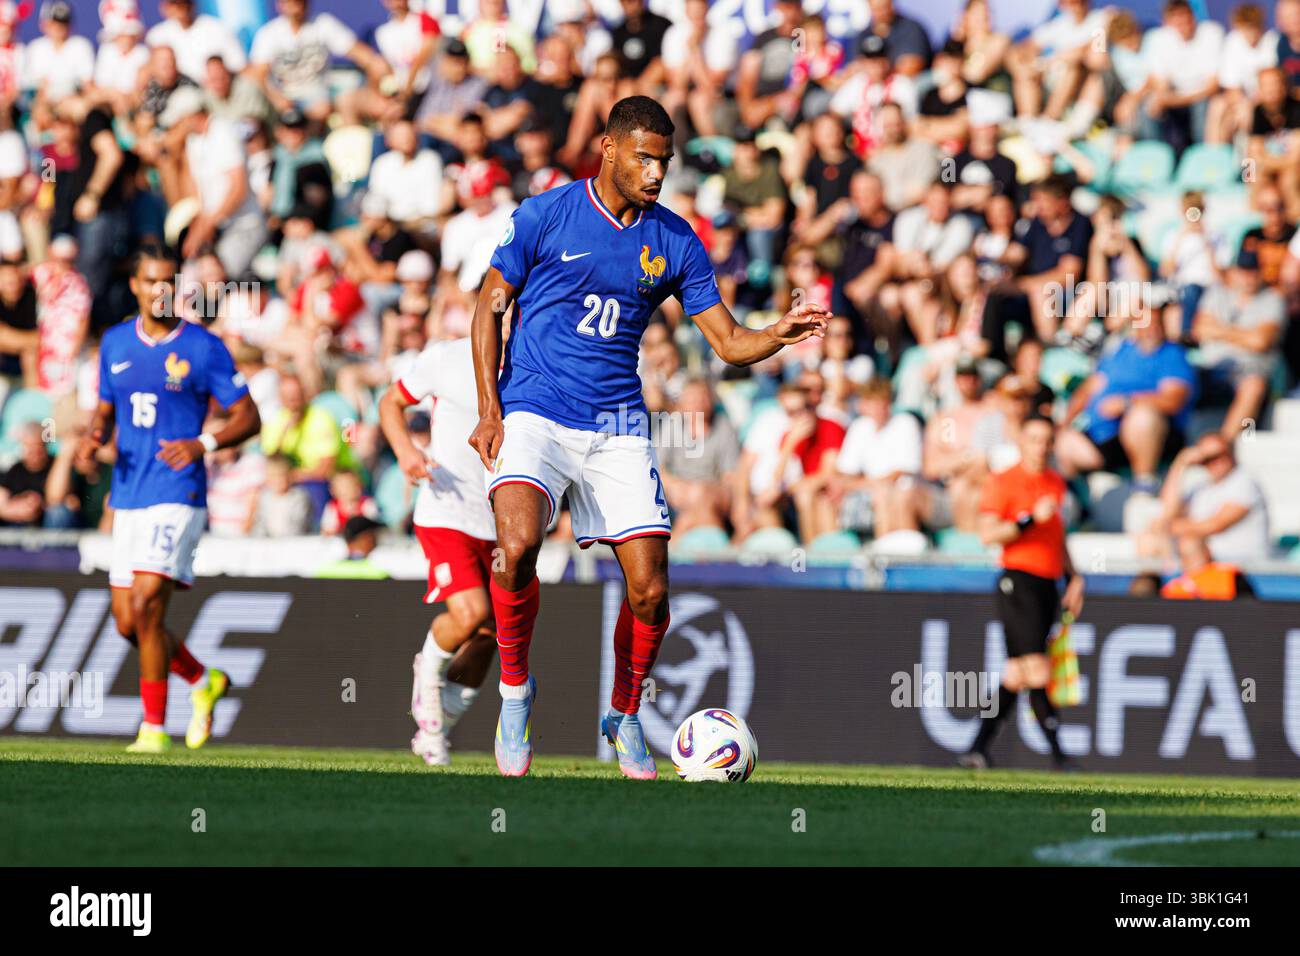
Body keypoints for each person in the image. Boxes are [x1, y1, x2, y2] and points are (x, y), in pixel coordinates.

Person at [468, 96, 829, 779]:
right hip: (535, 410)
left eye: (664, 160)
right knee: (514, 550)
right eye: (644, 158)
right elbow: (485, 306)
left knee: (650, 593)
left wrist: (775, 335)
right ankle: (516, 693)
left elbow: (726, 342)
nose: (657, 172)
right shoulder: (547, 215)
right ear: (607, 148)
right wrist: (490, 409)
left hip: (616, 423)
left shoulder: (673, 240)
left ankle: (624, 714)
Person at [78, 245, 261, 753]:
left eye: (168, 282)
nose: (160, 291)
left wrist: (202, 443)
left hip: (177, 492)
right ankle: (203, 680)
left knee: (145, 605)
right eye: (150, 281)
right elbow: (105, 411)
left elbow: (250, 416)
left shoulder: (202, 348)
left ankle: (153, 731)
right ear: (134, 286)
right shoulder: (115, 343)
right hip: (129, 494)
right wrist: (92, 438)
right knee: (127, 621)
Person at [379, 333, 498, 767]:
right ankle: (426, 674)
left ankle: (436, 730)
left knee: (490, 635)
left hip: (502, 520)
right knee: (471, 614)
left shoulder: (535, 357)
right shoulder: (447, 357)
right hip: (446, 507)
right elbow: (390, 403)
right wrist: (406, 451)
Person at [962, 414, 1085, 771]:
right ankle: (1059, 755)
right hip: (1018, 580)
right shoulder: (1004, 481)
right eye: (1034, 439)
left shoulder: (1055, 483)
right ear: (1022, 442)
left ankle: (977, 748)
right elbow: (988, 534)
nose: (1041, 447)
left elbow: (1056, 538)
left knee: (1017, 674)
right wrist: (1029, 518)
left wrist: (1073, 576)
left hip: (1048, 581)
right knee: (1037, 669)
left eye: (1047, 440)